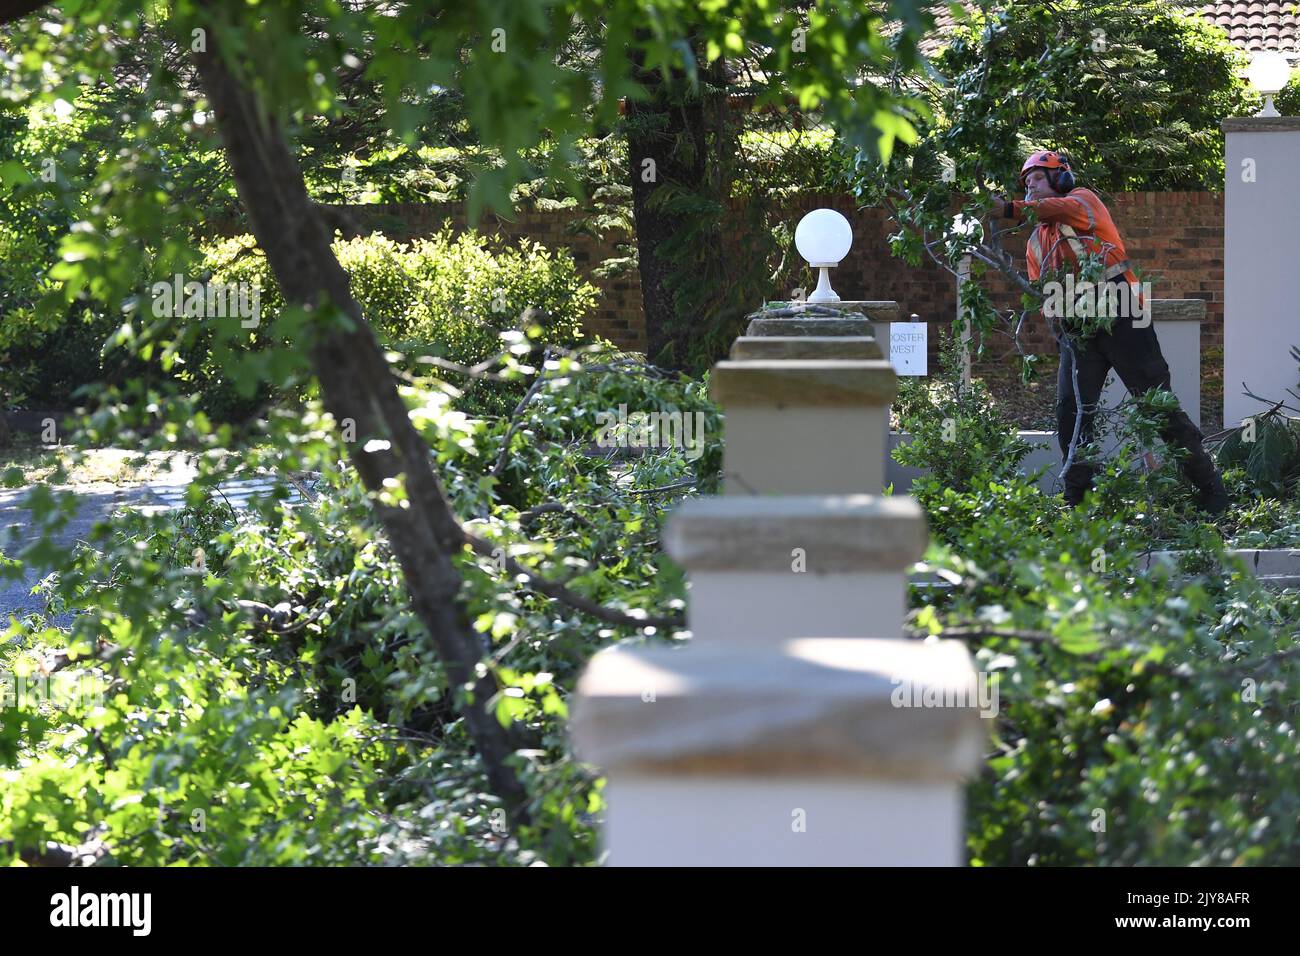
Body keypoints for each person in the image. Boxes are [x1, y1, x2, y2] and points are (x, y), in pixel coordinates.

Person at [997, 150, 1229, 514]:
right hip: (1078, 324)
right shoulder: (1034, 244)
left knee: (1156, 405)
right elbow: (1043, 294)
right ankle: (1078, 502)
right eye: (1026, 185)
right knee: (1071, 412)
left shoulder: (1081, 201)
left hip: (1122, 311)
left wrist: (1006, 208)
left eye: (1038, 179)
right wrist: (1056, 311)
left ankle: (1211, 490)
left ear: (1061, 179)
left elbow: (1043, 209)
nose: (1030, 189)